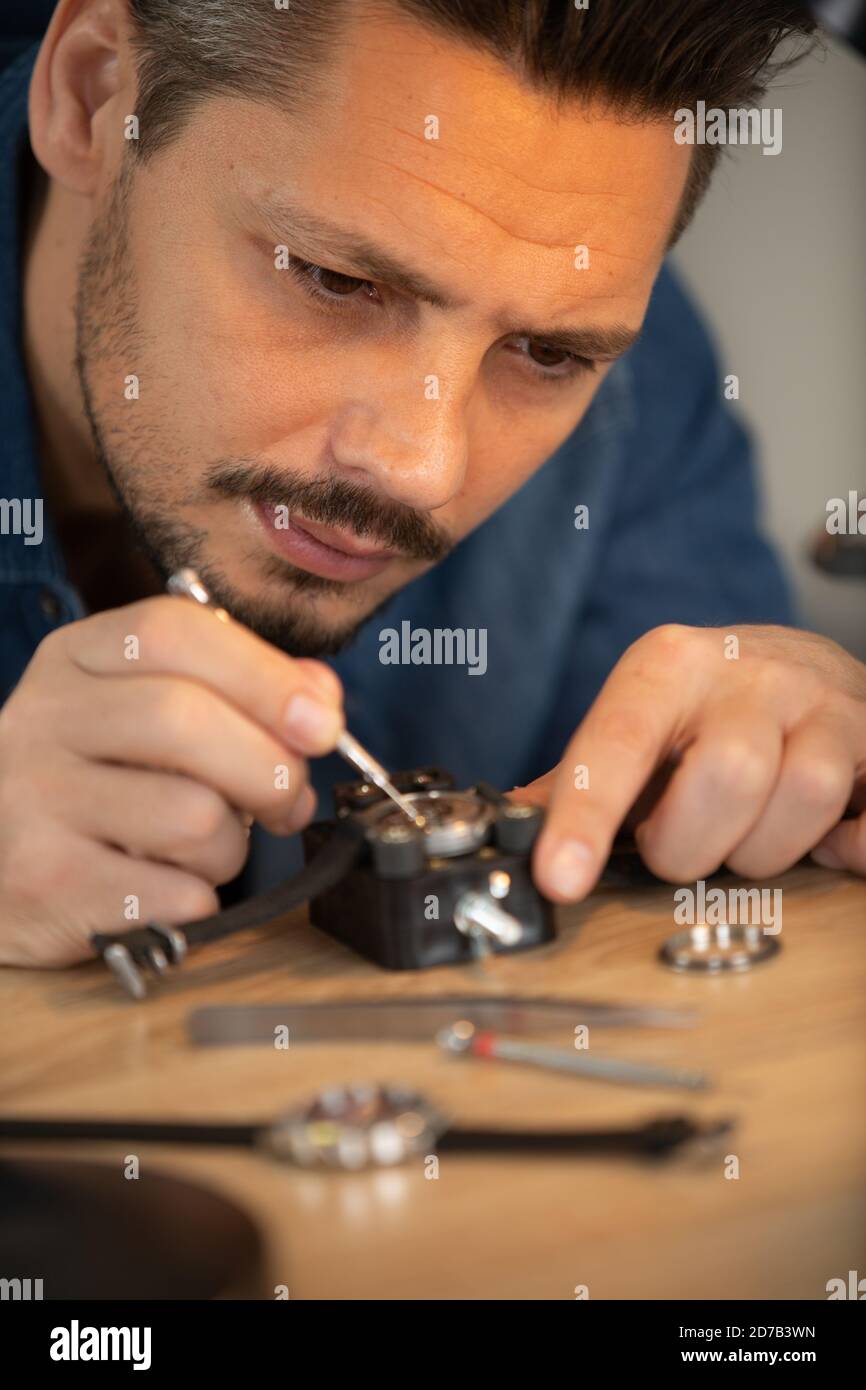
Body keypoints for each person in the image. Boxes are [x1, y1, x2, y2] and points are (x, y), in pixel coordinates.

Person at [0, 0, 863, 969]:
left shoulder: (639, 378)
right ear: (91, 96)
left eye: (541, 354)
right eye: (334, 280)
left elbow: (704, 911)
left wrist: (799, 774)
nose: (421, 468)